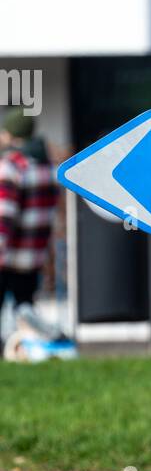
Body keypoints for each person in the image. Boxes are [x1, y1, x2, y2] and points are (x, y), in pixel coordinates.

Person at [0, 107, 60, 320]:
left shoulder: (12, 168)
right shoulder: (49, 169)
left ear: (12, 135)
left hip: (8, 258)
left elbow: (3, 218)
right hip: (33, 258)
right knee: (25, 313)